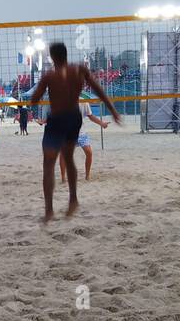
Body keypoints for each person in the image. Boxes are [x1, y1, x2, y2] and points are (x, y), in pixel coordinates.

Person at [30, 44, 120, 221]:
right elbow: (98, 90)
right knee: (69, 158)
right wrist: (113, 110)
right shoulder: (79, 70)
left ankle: (49, 210)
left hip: (57, 119)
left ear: (52, 57)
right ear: (66, 54)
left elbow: (34, 99)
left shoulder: (49, 75)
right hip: (73, 118)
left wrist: (42, 92)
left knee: (48, 164)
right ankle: (73, 200)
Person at [59, 97, 110, 183]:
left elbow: (91, 116)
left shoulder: (83, 101)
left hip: (81, 133)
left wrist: (102, 123)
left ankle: (87, 175)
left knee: (89, 152)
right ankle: (63, 177)